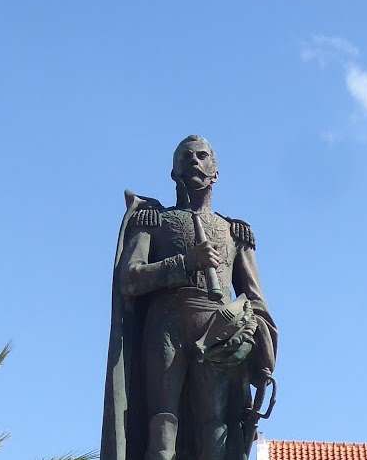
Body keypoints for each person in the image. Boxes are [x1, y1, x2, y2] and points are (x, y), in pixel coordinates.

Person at [102, 135, 277, 460]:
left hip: (218, 332)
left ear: (215, 173)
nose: (194, 161)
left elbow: (255, 298)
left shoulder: (234, 232)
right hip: (165, 327)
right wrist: (185, 264)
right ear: (173, 171)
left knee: (216, 425)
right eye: (186, 156)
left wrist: (264, 351)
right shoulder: (152, 222)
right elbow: (129, 279)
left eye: (201, 156)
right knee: (161, 423)